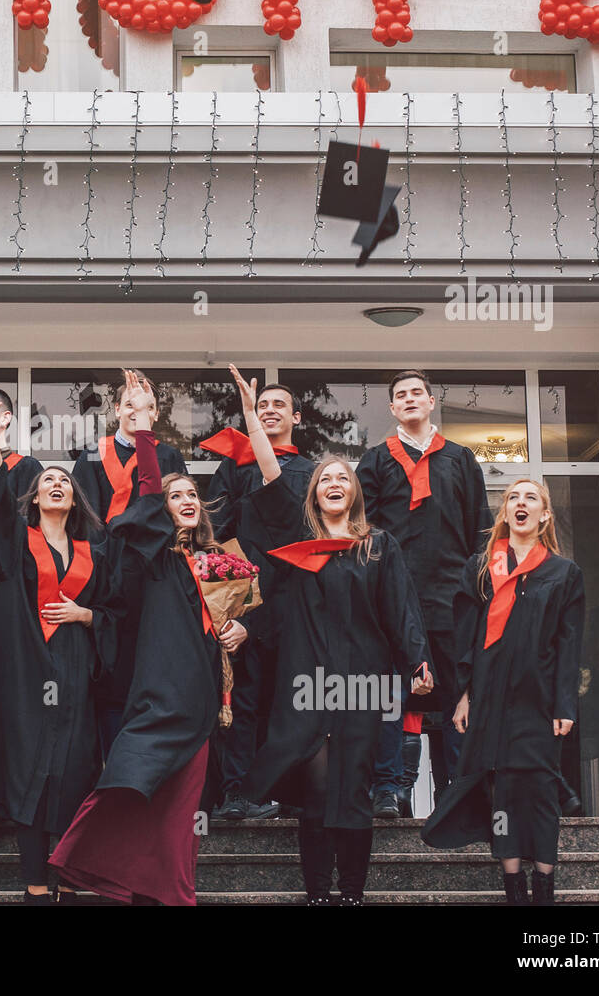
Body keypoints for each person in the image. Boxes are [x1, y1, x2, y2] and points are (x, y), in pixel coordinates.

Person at [232, 365, 433, 905]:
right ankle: (319, 893)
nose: (335, 484)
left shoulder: (378, 548)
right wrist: (253, 419)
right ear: (315, 495)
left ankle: (352, 893)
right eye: (325, 480)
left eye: (343, 478)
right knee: (318, 791)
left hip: (362, 686)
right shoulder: (302, 552)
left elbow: (402, 611)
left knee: (354, 791)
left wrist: (418, 660)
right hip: (307, 686)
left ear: (355, 494)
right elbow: (273, 479)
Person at [49, 371, 248, 906]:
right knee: (126, 792)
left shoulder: (219, 562)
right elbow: (142, 503)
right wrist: (141, 431)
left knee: (179, 823)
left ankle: (171, 897)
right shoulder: (152, 558)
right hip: (157, 705)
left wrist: (238, 627)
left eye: (192, 493)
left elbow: (244, 613)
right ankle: (94, 871)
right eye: (174, 493)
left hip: (201, 705)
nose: (184, 498)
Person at [0, 392, 124, 905]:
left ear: (76, 500)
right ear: (32, 498)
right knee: (30, 775)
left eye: (65, 482)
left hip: (73, 672)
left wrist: (86, 614)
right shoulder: (12, 541)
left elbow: (120, 614)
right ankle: (34, 887)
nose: (55, 483)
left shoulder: (95, 554)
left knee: (73, 776)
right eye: (46, 479)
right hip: (23, 673)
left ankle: (69, 886)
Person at [421, 479, 584, 906]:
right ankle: (513, 886)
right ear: (505, 512)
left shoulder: (564, 573)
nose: (521, 503)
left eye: (531, 498)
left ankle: (544, 886)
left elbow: (569, 645)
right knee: (503, 790)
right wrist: (463, 694)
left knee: (543, 789)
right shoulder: (480, 567)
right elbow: (466, 636)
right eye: (513, 497)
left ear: (544, 515)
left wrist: (565, 703)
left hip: (540, 698)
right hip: (490, 695)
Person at [357, 369, 491, 818]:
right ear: (392, 408)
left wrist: (481, 584)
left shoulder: (460, 458)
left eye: (418, 392)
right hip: (393, 597)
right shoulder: (374, 462)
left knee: (455, 693)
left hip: (453, 596)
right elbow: (363, 533)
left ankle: (457, 793)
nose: (410, 399)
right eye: (400, 395)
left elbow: (481, 528)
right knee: (393, 692)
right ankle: (390, 788)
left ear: (431, 402)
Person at [201, 383, 315, 821]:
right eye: (262, 405)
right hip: (241, 604)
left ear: (296, 417)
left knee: (289, 704)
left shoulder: (308, 473)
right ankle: (236, 793)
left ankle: (288, 793)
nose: (269, 411)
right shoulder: (234, 469)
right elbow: (215, 532)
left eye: (279, 405)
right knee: (239, 702)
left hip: (294, 602)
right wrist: (222, 598)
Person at [71, 370, 187, 757]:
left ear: (155, 415)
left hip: (147, 569)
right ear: (117, 408)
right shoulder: (91, 453)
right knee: (107, 663)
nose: (140, 412)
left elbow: (172, 513)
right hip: (103, 568)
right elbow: (81, 514)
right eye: (132, 404)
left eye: (149, 407)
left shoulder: (167, 455)